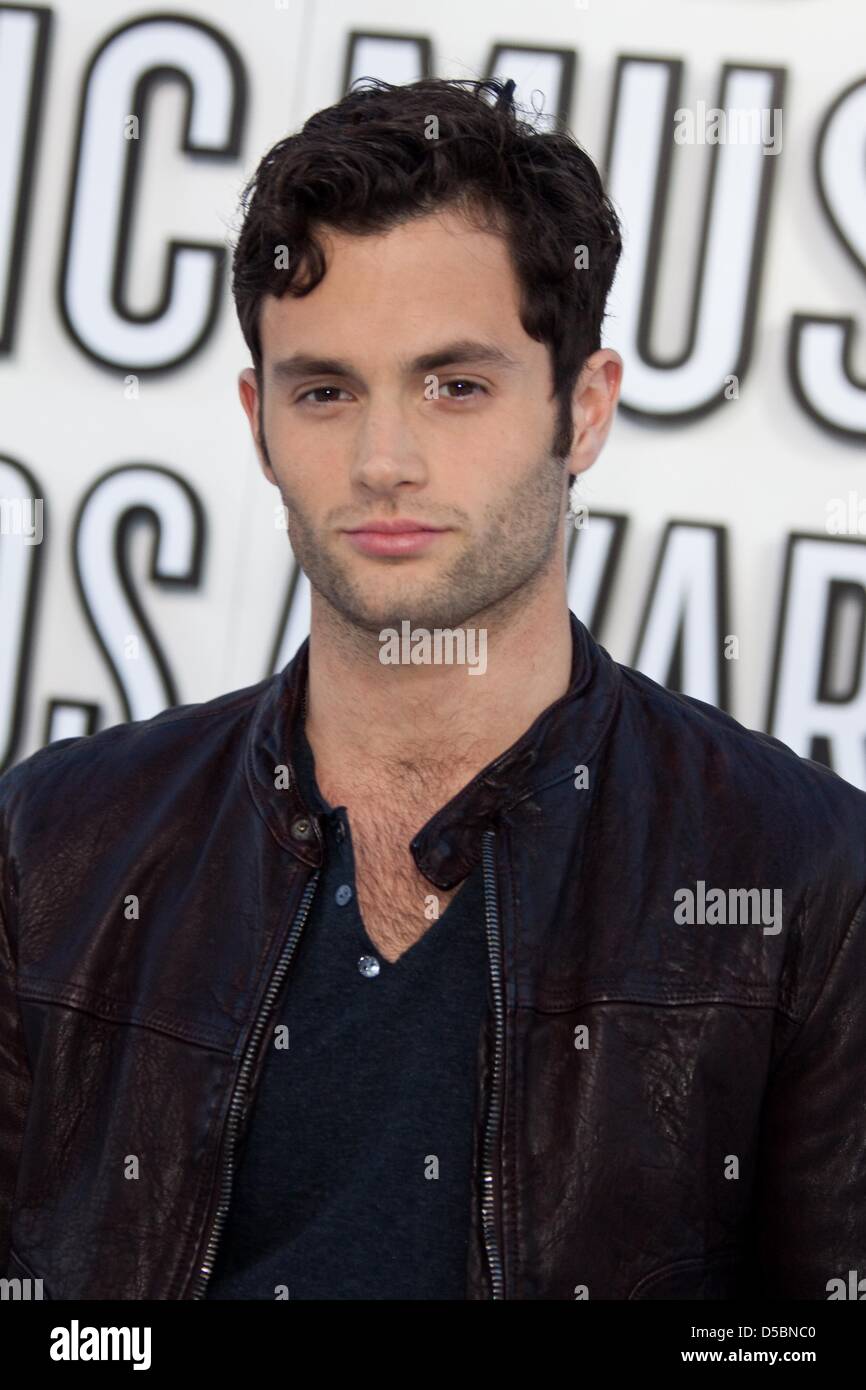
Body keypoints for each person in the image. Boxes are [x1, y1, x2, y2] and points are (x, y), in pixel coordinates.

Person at [1, 76, 865, 1302]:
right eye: (324, 390)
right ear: (257, 425)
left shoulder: (804, 873)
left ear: (582, 408)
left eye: (454, 386)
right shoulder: (56, 845)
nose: (382, 460)